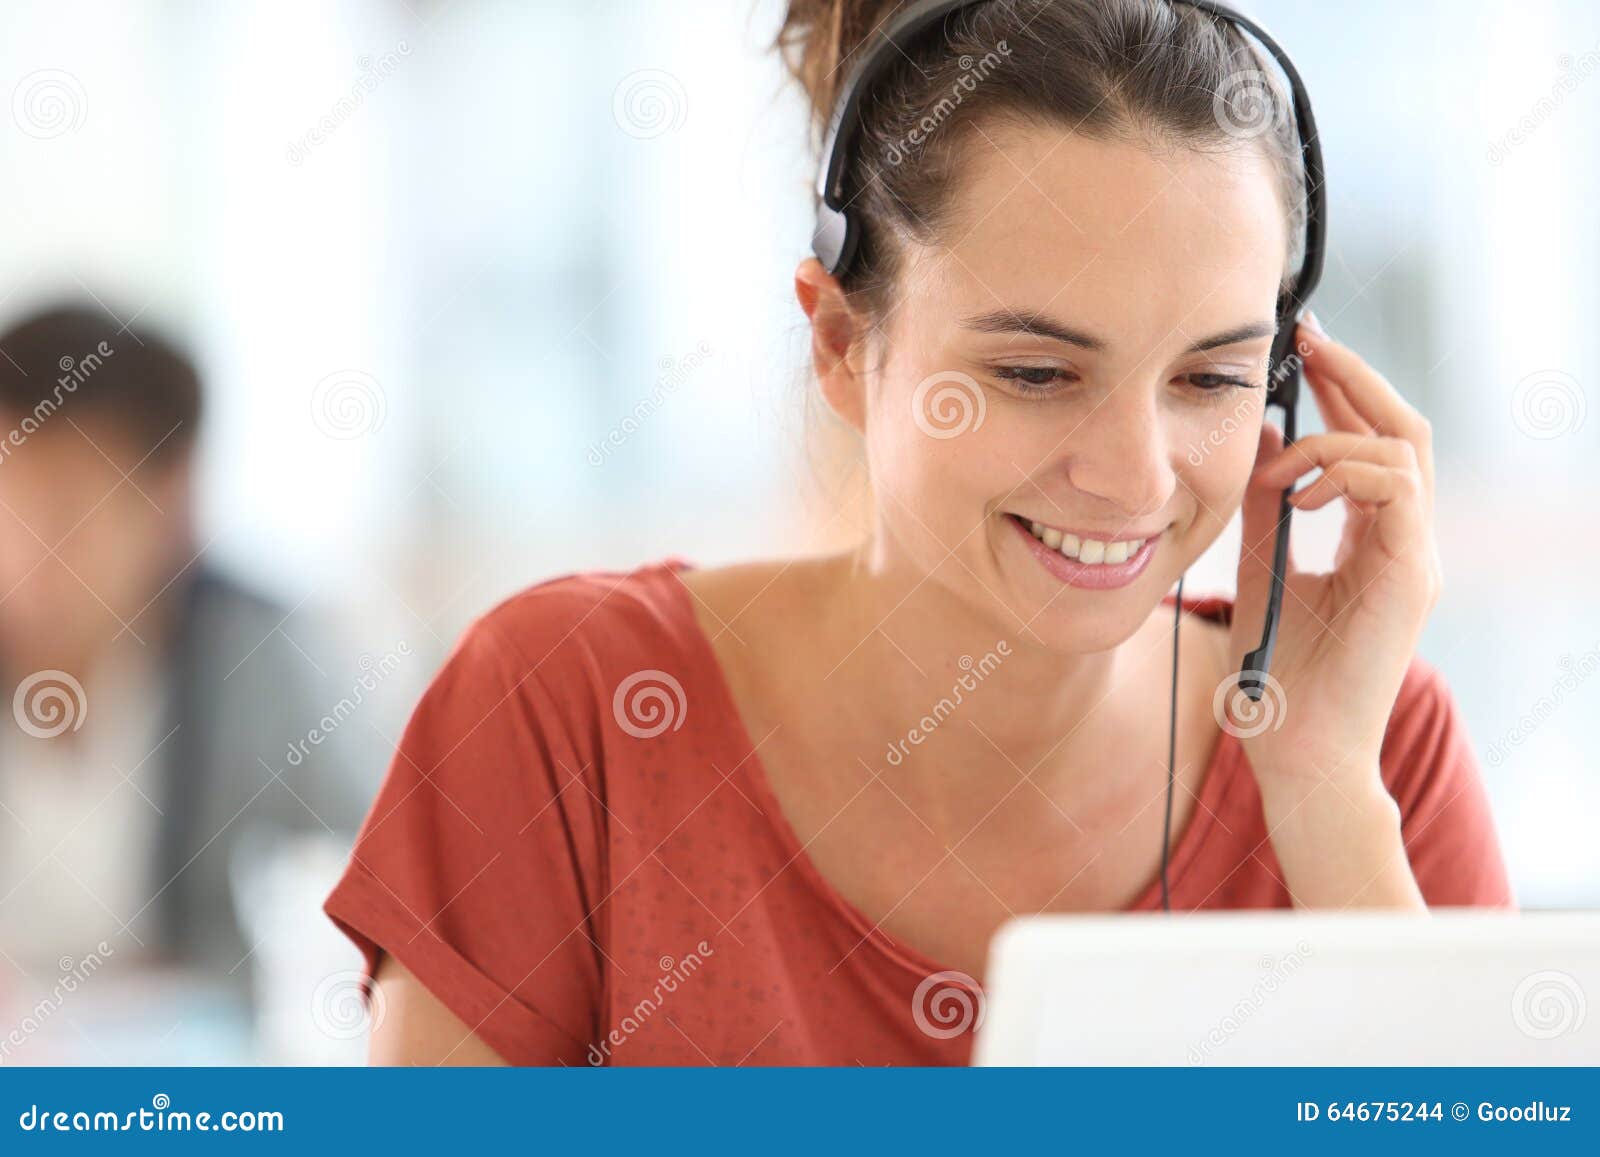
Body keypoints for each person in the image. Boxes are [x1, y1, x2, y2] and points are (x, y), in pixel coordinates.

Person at [323, 0, 1513, 1066]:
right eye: (1038, 370)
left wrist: (1315, 791)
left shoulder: (1371, 747)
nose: (1133, 475)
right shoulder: (571, 708)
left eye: (1209, 379)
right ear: (843, 344)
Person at [0, 303, 367, 995]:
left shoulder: (262, 661)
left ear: (170, 498)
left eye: (67, 503)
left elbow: (367, 893)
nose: (28, 546)